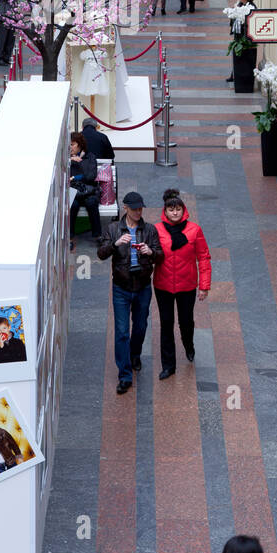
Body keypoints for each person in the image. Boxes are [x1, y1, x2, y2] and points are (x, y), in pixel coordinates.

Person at [97, 190, 164, 394]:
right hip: (121, 288)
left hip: (143, 286)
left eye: (140, 208)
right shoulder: (113, 229)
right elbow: (100, 254)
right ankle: (124, 375)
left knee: (141, 326)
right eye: (134, 208)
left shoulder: (150, 230)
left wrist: (150, 252)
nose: (138, 212)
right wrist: (115, 245)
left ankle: (135, 354)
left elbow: (160, 256)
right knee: (122, 332)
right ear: (125, 208)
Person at [152, 188, 211, 377]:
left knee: (186, 322)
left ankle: (189, 344)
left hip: (187, 286)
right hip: (163, 285)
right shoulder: (157, 230)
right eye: (171, 210)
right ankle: (168, 366)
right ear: (165, 211)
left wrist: (204, 286)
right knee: (166, 324)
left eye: (177, 209)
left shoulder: (194, 230)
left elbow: (203, 257)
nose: (175, 213)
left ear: (183, 210)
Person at [69, 130, 102, 246]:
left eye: (72, 144)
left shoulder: (90, 157)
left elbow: (91, 176)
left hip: (89, 190)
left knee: (92, 203)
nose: (70, 147)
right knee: (73, 205)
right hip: (74, 191)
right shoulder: (68, 159)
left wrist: (74, 177)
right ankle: (70, 238)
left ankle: (98, 235)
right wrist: (70, 160)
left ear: (79, 144)